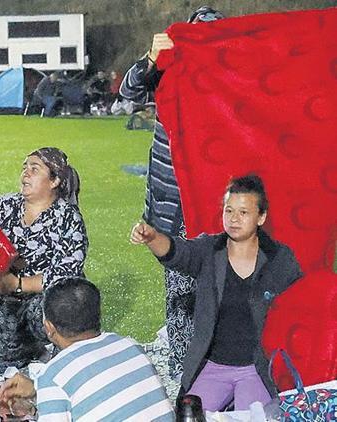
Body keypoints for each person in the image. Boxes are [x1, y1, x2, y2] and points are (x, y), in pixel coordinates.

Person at [130, 174, 303, 411]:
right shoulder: (209, 250)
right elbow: (178, 253)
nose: (233, 219)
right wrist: (151, 237)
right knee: (189, 415)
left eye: (243, 213)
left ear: (261, 217)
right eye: (229, 211)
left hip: (255, 369)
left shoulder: (280, 260)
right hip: (213, 366)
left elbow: (301, 308)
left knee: (254, 417)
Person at [119, 5, 224, 379]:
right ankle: (186, 372)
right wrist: (151, 57)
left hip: (214, 213)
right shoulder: (169, 70)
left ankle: (217, 367)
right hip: (170, 208)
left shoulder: (229, 83)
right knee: (180, 296)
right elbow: (127, 92)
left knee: (221, 292)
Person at [0, 147, 88, 379]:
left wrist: (17, 284)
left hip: (45, 300)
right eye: (24, 168)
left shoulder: (68, 218)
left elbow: (67, 272)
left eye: (34, 169)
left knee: (58, 309)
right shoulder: (3, 206)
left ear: (55, 180)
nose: (25, 174)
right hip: (5, 300)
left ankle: (63, 355)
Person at [0, 277, 174, 421]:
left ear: (49, 327)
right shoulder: (129, 346)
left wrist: (35, 407)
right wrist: (37, 393)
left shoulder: (53, 375)